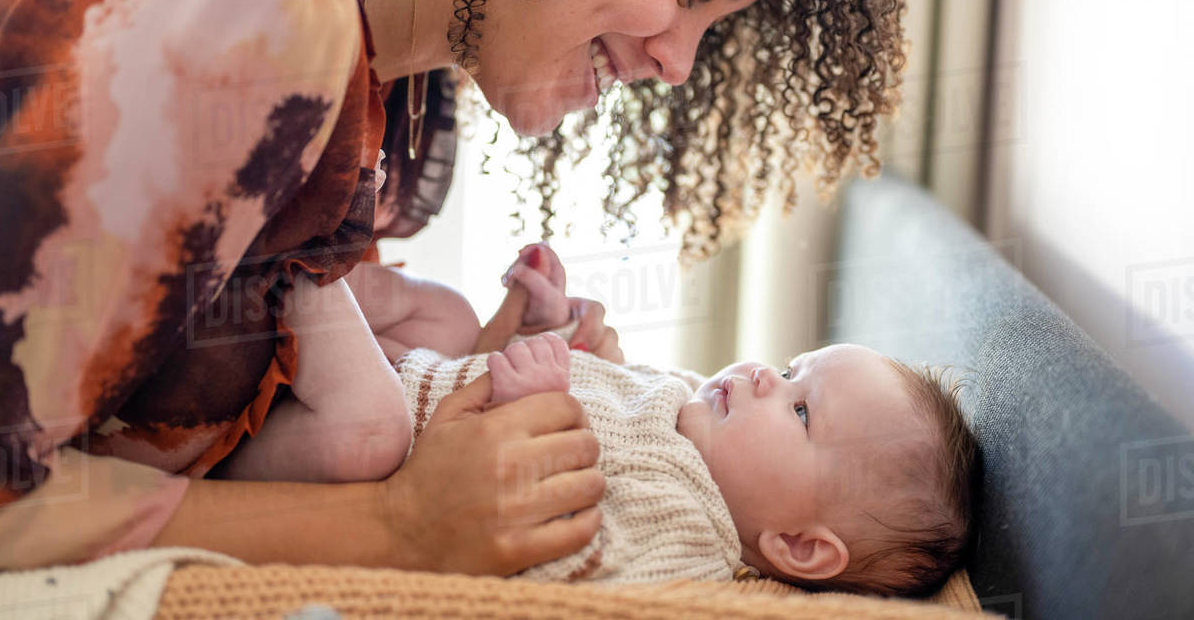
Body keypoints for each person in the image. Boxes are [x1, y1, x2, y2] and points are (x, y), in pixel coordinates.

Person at [0, 0, 904, 572]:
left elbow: (263, 350)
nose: (679, 66)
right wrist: (401, 526)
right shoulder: (271, 6)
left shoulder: (378, 47)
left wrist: (477, 370)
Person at [229, 241, 976, 595]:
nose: (760, 376)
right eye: (788, 368)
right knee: (447, 312)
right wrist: (547, 327)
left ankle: (285, 246)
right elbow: (599, 378)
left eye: (800, 409)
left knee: (368, 431)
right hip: (424, 380)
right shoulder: (690, 401)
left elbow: (559, 561)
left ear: (799, 548)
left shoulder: (688, 538)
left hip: (361, 457)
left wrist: (533, 411)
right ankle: (262, 281)